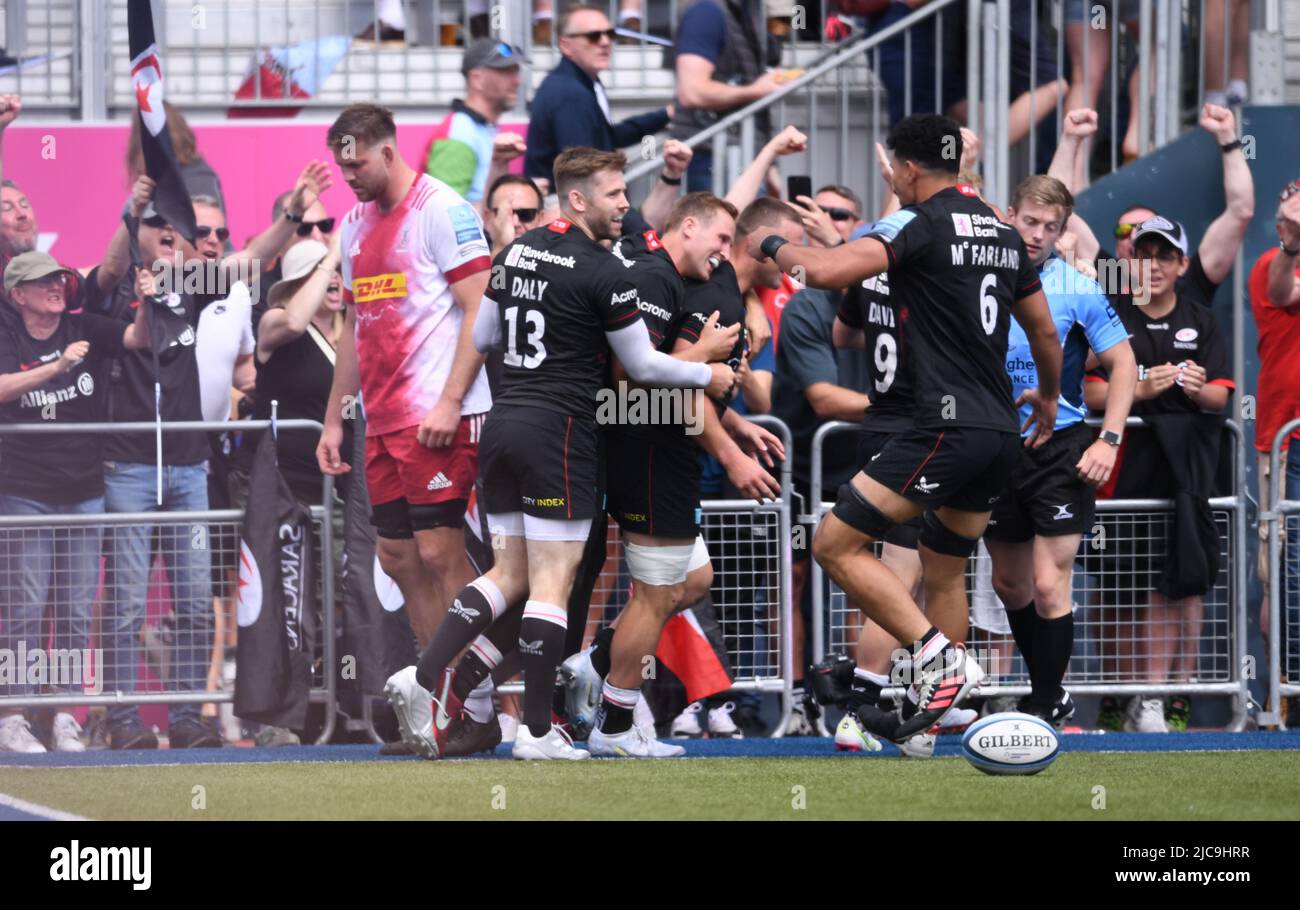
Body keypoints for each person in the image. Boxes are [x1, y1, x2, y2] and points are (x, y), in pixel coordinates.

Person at [382, 147, 736, 761]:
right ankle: (539, 734)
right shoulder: (603, 270)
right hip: (561, 434)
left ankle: (420, 678)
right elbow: (642, 367)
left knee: (510, 575)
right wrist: (708, 372)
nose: (626, 204)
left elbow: (487, 335)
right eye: (616, 193)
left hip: (503, 424)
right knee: (553, 580)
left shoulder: (514, 252)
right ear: (578, 198)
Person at [754, 113, 1063, 743]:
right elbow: (1046, 332)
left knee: (834, 543)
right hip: (1000, 431)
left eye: (892, 167)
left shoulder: (917, 224)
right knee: (944, 566)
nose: (889, 175)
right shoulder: (1003, 234)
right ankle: (933, 714)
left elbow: (829, 272)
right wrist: (1052, 400)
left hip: (942, 428)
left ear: (910, 169)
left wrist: (772, 246)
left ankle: (940, 661)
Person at [95, 163, 331, 750]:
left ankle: (184, 718)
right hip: (128, 468)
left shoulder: (194, 288)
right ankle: (123, 721)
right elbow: (110, 272)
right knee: (125, 604)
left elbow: (252, 258)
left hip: (188, 469)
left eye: (177, 233)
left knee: (198, 605)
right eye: (160, 231)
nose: (173, 240)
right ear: (142, 233)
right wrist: (132, 211)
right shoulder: (115, 289)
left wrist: (294, 215)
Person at [586, 193, 782, 757]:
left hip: (655, 448)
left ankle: (587, 665)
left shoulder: (683, 275)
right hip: (651, 450)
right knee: (655, 594)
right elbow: (638, 382)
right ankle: (615, 727)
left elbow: (685, 383)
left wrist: (736, 425)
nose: (793, 261)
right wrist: (730, 453)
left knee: (692, 581)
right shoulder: (683, 282)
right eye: (722, 240)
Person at [317, 104, 492, 654]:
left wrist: (450, 401)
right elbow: (353, 330)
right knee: (396, 557)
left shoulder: (441, 210)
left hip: (439, 415)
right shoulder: (351, 226)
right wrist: (332, 422)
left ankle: (477, 699)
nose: (347, 178)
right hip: (382, 421)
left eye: (358, 165)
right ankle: (438, 687)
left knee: (441, 552)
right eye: (341, 167)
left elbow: (481, 310)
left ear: (388, 153)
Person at [984, 175, 1137, 728]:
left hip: (1063, 447)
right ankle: (1048, 689)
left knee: (1050, 583)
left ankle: (1046, 699)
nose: (1039, 234)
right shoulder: (978, 279)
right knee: (1009, 584)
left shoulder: (1078, 285)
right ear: (1009, 216)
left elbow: (1124, 365)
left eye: (1052, 227)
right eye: (1030, 221)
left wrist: (1109, 439)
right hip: (995, 445)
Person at [1085, 218, 1234, 733]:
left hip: (1187, 472)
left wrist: (1196, 388)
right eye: (1144, 255)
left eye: (1164, 257)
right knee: (1116, 587)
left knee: (1180, 584)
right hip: (1120, 473)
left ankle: (1167, 696)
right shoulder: (1111, 313)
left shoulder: (1201, 317)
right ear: (1128, 261)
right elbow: (1090, 392)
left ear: (1182, 266)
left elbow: (1221, 396)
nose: (1153, 267)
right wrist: (1141, 389)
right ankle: (1119, 695)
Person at [0, 253, 151, 753]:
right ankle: (14, 715)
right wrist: (56, 368)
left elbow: (138, 339)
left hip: (85, 492)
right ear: (17, 295)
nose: (56, 287)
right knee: (24, 610)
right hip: (26, 492)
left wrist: (147, 306)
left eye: (59, 279)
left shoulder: (84, 325)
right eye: (42, 283)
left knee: (74, 613)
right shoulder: (8, 335)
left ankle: (63, 713)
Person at [769, 186, 872, 735]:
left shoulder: (887, 293)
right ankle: (794, 702)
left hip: (868, 465)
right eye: (821, 212)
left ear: (860, 227)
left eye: (842, 216)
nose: (830, 223)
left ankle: (863, 701)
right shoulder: (807, 303)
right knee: (795, 576)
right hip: (802, 468)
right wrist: (901, 409)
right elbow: (825, 400)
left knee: (866, 578)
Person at [523, 4, 671, 193]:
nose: (605, 42)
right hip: (571, 210)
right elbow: (584, 172)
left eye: (610, 34)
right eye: (593, 36)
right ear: (565, 45)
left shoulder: (582, 83)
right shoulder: (569, 94)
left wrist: (665, 115)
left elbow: (607, 136)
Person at [1250, 180, 1300, 725]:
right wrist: (1291, 246)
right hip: (1289, 442)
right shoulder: (1272, 262)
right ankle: (1285, 690)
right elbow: (1285, 293)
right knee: (1285, 571)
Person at [670, 0, 789, 193]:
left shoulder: (748, 10)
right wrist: (755, 90)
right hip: (714, 158)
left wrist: (768, 166)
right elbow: (691, 91)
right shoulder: (706, 12)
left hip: (740, 157)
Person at [424, 39, 528, 207]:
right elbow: (446, 214)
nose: (517, 81)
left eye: (516, 71)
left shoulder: (479, 127)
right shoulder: (458, 134)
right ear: (476, 79)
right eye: (506, 72)